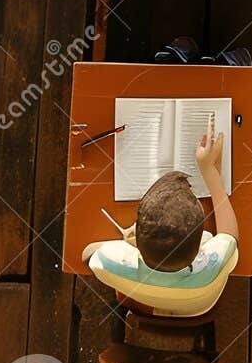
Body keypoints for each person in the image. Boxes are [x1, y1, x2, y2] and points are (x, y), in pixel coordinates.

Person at [81, 117, 238, 318]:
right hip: (200, 308)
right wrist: (209, 171)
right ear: (199, 244)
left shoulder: (117, 264)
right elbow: (230, 236)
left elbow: (87, 254)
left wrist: (129, 243)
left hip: (143, 303)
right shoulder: (213, 265)